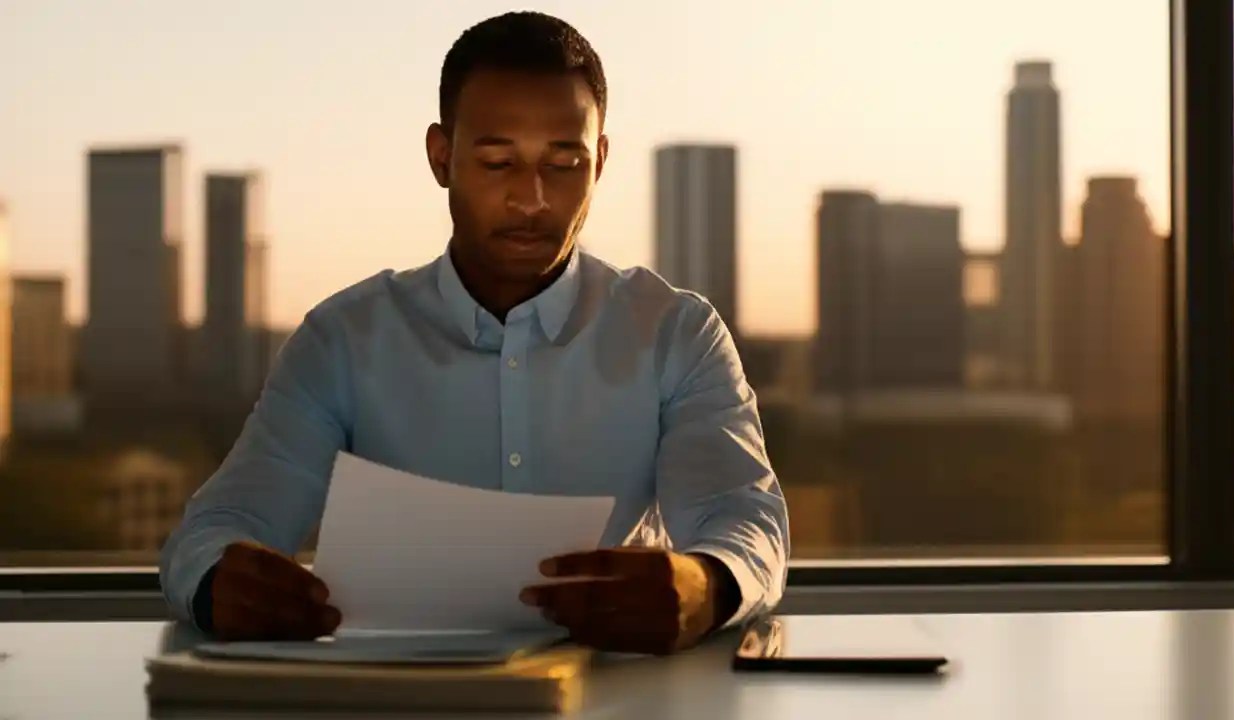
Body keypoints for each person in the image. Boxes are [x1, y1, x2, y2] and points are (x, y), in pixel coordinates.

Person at [160, 10, 788, 656]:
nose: (532, 199)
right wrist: (218, 583)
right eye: (497, 162)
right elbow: (218, 529)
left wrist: (708, 583)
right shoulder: (342, 343)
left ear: (599, 161)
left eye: (564, 161)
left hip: (622, 696)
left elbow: (744, 521)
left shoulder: (677, 335)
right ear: (441, 156)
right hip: (398, 701)